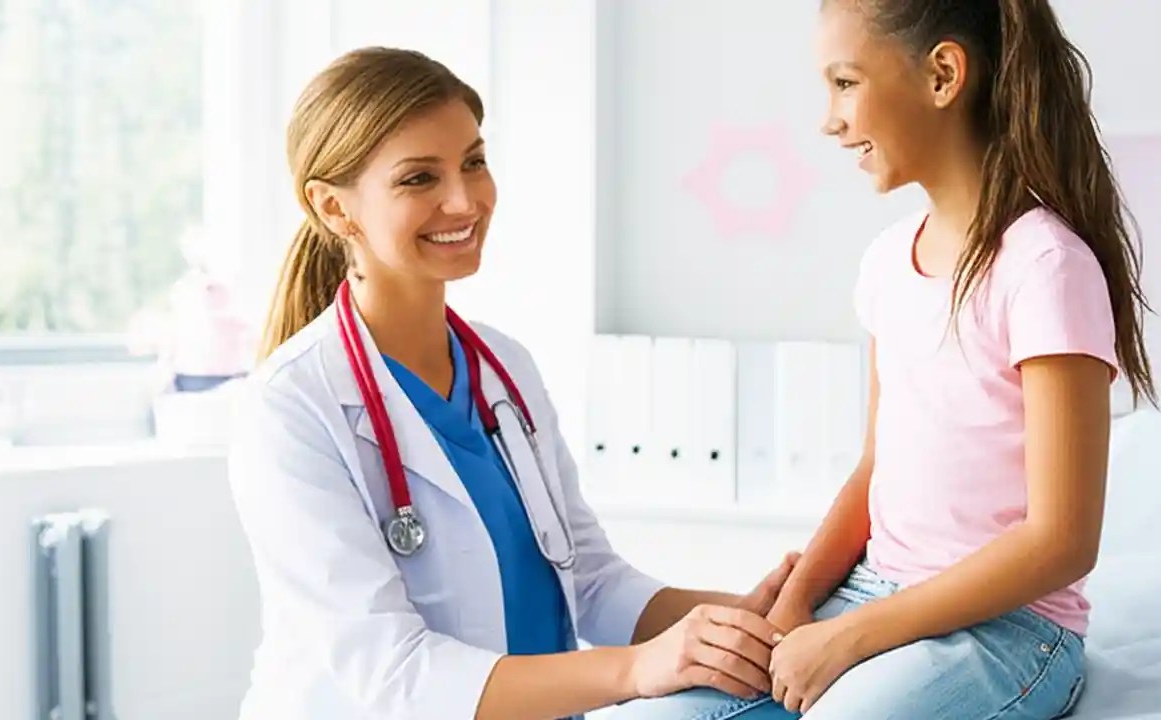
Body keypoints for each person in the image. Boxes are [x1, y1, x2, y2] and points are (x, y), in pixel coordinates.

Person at [610, 0, 1155, 718]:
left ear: (942, 75)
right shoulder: (886, 264)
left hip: (1010, 630)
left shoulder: (1046, 267)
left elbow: (1061, 541)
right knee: (653, 713)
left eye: (845, 83)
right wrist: (796, 605)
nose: (828, 120)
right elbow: (876, 470)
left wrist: (854, 639)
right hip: (872, 594)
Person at [226, 47, 801, 720]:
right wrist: (640, 669)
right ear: (333, 207)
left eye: (473, 161)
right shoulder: (290, 409)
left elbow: (588, 581)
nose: (464, 200)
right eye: (418, 178)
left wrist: (737, 620)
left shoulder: (503, 368)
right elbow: (395, 671)